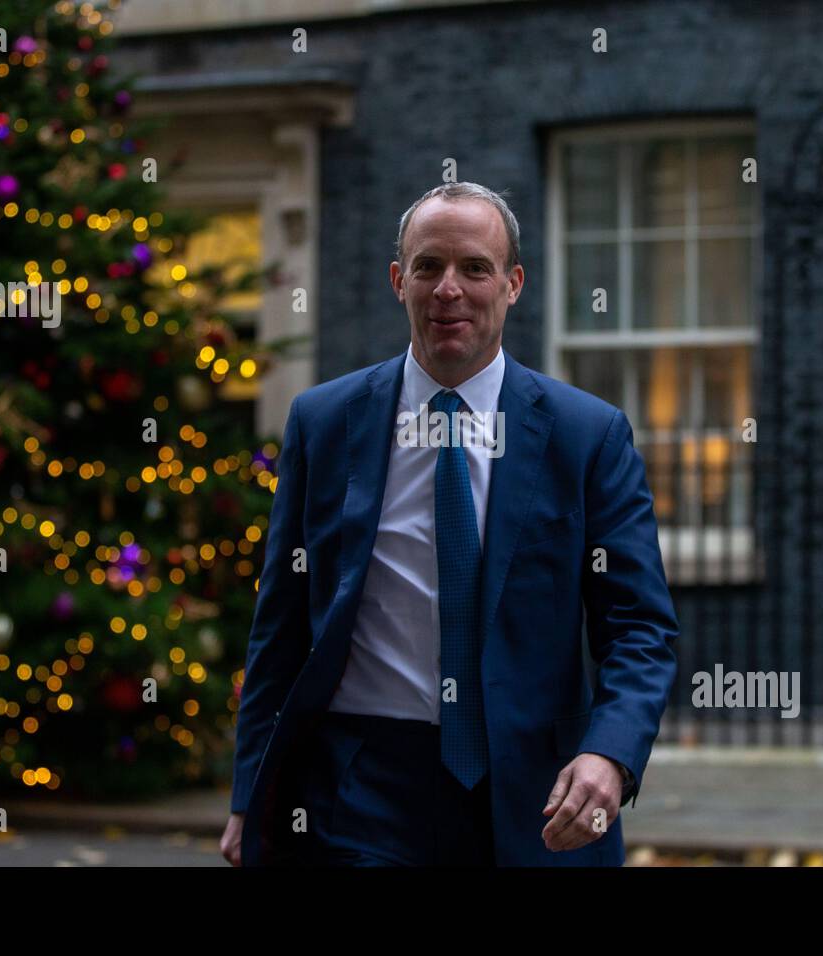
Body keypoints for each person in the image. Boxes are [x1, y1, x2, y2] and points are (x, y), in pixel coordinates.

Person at [220, 182, 678, 866]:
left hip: (536, 792)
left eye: (475, 268)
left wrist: (609, 754)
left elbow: (640, 625)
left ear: (514, 283)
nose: (448, 290)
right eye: (428, 266)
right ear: (398, 279)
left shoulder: (588, 436)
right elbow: (281, 625)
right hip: (359, 788)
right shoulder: (325, 422)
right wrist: (248, 795)